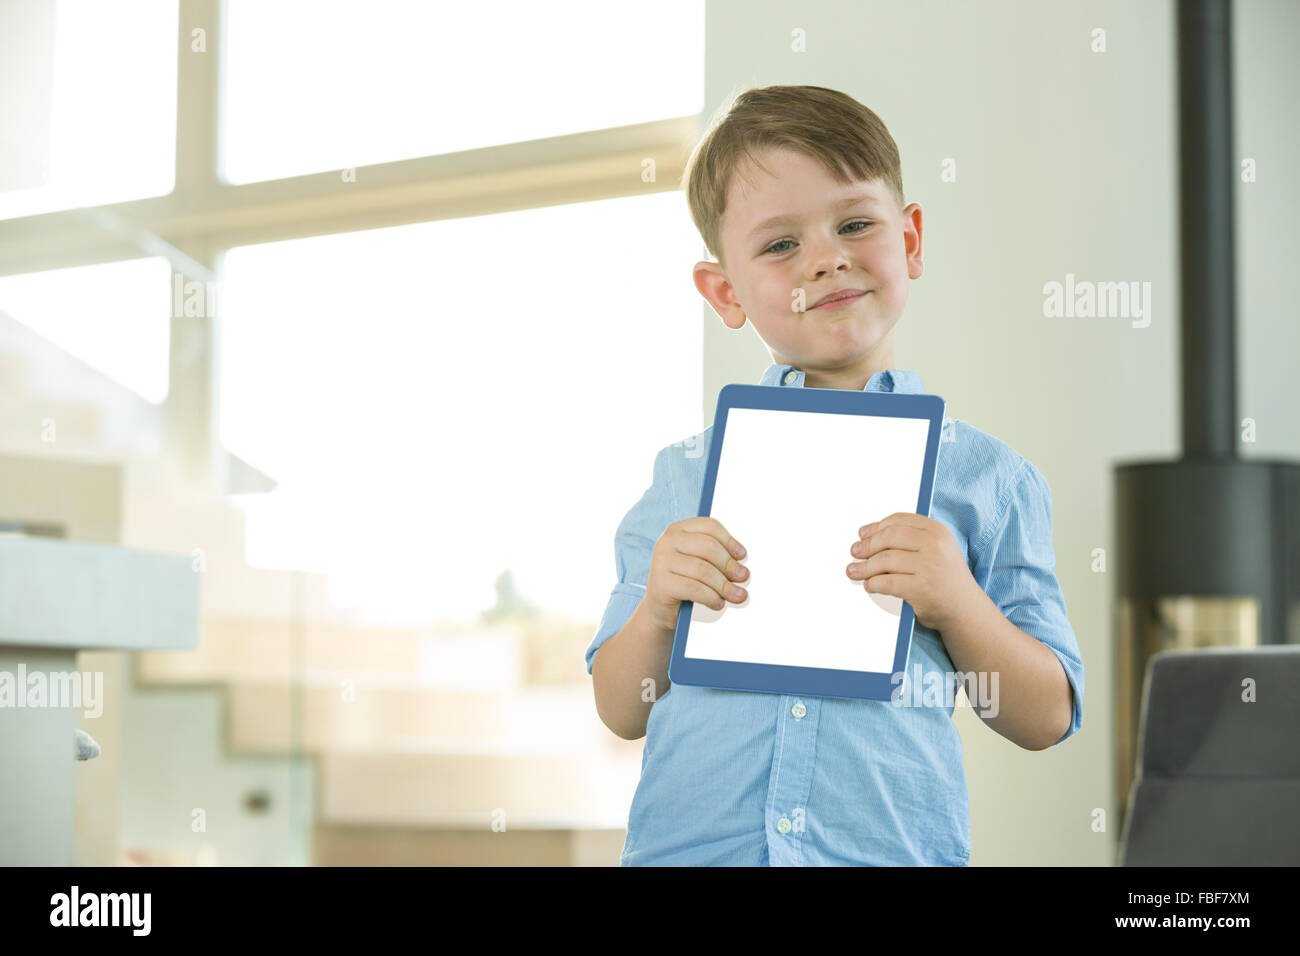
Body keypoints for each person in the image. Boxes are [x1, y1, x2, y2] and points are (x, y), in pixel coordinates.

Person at [585, 84, 1084, 866]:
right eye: (780, 245)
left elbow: (1045, 715)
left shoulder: (991, 480)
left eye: (855, 223)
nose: (826, 258)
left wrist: (957, 601)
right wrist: (654, 609)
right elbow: (620, 708)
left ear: (910, 240)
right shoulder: (684, 475)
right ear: (726, 292)